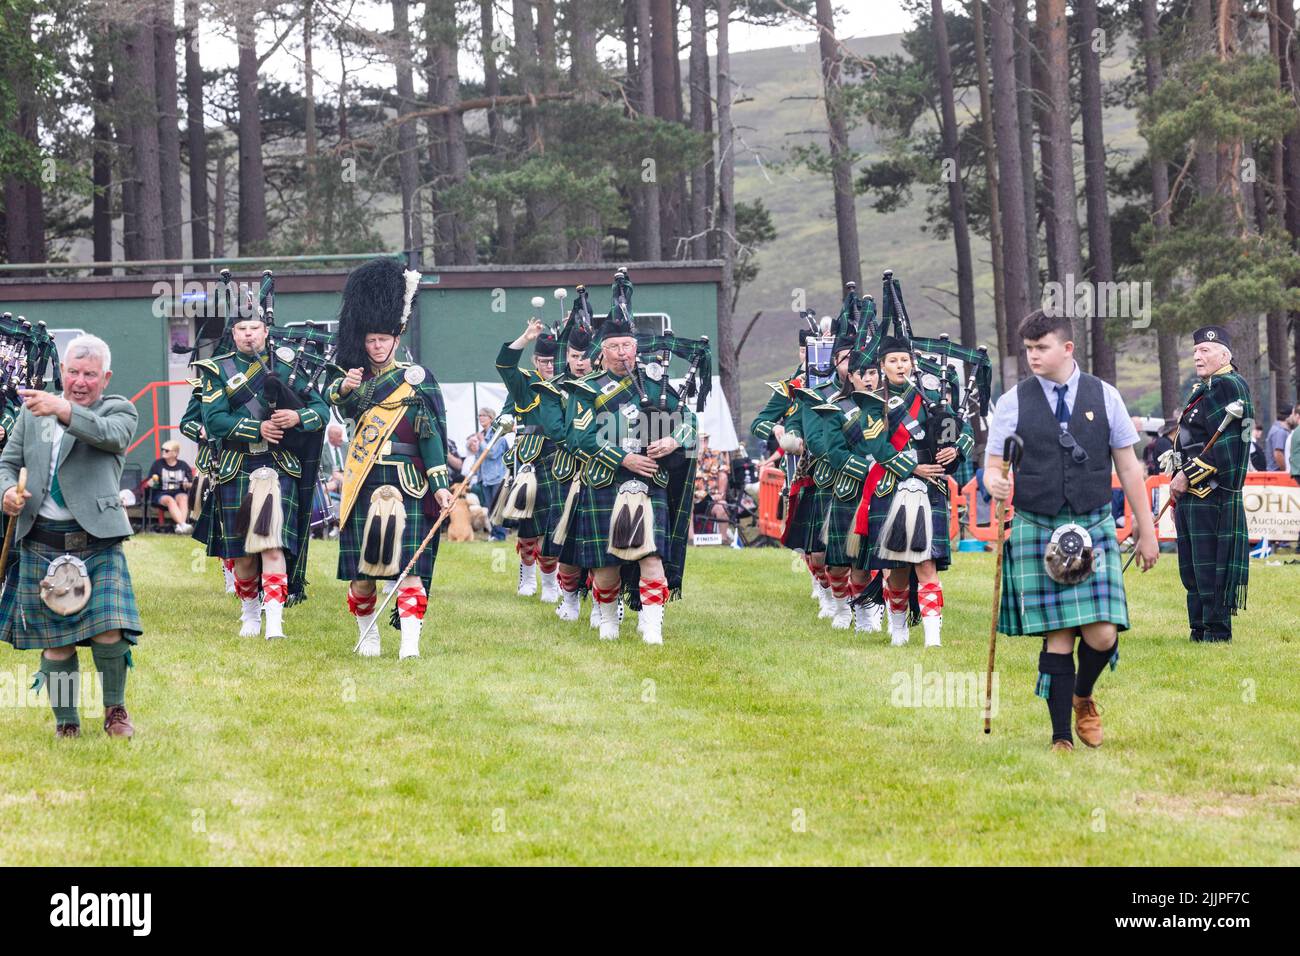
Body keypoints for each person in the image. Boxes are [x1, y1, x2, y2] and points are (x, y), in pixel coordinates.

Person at [985, 310, 1158, 752]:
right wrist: (995, 482)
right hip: (1036, 523)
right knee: (1059, 634)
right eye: (1028, 349)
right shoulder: (1013, 401)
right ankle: (1061, 735)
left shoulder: (1105, 396)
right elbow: (992, 465)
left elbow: (1129, 468)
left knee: (1102, 634)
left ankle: (1083, 696)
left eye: (1041, 348)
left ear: (1067, 348)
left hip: (1092, 521)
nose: (1032, 357)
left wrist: (1146, 528)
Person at [0, 334, 143, 738]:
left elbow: (108, 436)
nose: (80, 381)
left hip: (95, 540)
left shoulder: (119, 410)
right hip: (43, 539)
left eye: (90, 375)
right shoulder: (32, 415)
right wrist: (7, 493)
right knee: (55, 641)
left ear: (106, 377)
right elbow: (7, 464)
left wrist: (62, 408)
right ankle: (67, 723)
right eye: (73, 372)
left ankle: (116, 710)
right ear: (62, 370)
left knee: (108, 630)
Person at [326, 257, 454, 659]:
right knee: (363, 573)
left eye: (383, 339)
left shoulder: (418, 379)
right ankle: (368, 635)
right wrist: (346, 388)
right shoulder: (353, 379)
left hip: (409, 484)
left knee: (407, 568)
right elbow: (345, 407)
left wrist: (441, 487)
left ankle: (410, 645)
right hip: (364, 480)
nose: (377, 345)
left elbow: (431, 438)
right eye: (371, 340)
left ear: (396, 339)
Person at [190, 288, 330, 640]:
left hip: (279, 466)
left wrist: (296, 418)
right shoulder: (216, 370)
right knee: (243, 553)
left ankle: (275, 621)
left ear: (265, 331)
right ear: (233, 334)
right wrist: (259, 427)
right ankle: (249, 613)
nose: (248, 334)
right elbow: (215, 420)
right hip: (238, 466)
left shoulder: (288, 366)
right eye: (241, 329)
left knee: (273, 544)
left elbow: (322, 410)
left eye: (254, 328)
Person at [566, 272, 698, 644]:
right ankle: (608, 620)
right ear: (602, 351)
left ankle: (652, 624)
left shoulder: (656, 387)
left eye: (627, 345)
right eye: (615, 346)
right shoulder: (587, 390)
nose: (622, 352)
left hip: (649, 483)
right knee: (606, 564)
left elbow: (689, 419)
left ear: (636, 348)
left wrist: (673, 440)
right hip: (608, 481)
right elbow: (579, 436)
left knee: (650, 556)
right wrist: (624, 458)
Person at [857, 335, 971, 648]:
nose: (899, 366)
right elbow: (877, 448)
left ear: (912, 363)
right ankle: (898, 633)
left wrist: (954, 450)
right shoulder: (872, 403)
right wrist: (912, 467)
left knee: (925, 562)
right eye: (892, 361)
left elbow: (962, 429)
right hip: (892, 485)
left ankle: (933, 638)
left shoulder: (934, 396)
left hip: (930, 485)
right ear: (882, 366)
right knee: (895, 566)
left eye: (904, 360)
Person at [1167, 326, 1254, 643]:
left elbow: (1226, 448)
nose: (1197, 356)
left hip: (1212, 493)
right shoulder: (1207, 387)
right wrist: (1177, 489)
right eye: (1195, 351)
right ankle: (1200, 628)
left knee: (1210, 566)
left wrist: (1187, 476)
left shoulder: (1229, 386)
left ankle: (1217, 632)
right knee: (1191, 566)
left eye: (1205, 350)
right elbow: (1192, 442)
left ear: (1225, 355)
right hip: (1191, 493)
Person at [496, 317, 564, 601]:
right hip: (531, 460)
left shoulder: (570, 384)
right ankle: (527, 575)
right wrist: (525, 338)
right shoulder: (525, 383)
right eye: (544, 361)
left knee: (554, 524)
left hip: (562, 458)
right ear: (536, 360)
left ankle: (550, 581)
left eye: (553, 361)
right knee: (530, 523)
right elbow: (504, 365)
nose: (549, 366)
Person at [691, 432, 732, 544]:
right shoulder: (687, 456)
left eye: (705, 440)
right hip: (692, 498)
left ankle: (723, 541)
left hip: (711, 497)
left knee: (722, 507)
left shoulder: (716, 455)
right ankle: (691, 541)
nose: (703, 443)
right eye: (700, 440)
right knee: (686, 507)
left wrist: (721, 494)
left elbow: (723, 474)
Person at [146, 439, 195, 533]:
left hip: (178, 492)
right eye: (163, 449)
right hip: (161, 493)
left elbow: (192, 484)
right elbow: (150, 482)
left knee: (184, 497)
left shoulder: (183, 465)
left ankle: (180, 526)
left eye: (167, 450)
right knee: (170, 500)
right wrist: (151, 482)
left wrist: (187, 484)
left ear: (175, 453)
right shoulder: (157, 464)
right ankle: (183, 525)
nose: (163, 452)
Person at [476, 406, 508, 540]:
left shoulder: (498, 435)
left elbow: (493, 453)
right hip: (485, 478)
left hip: (497, 478)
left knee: (497, 508)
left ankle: (500, 535)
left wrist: (482, 442)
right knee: (490, 508)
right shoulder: (481, 435)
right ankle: (494, 533)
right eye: (479, 415)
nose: (480, 418)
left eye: (483, 415)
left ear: (491, 418)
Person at [1265, 405, 1297, 471]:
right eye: (1294, 414)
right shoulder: (1280, 431)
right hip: (1277, 474)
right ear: (1288, 417)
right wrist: (1285, 471)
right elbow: (1278, 453)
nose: (1296, 417)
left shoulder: (1281, 430)